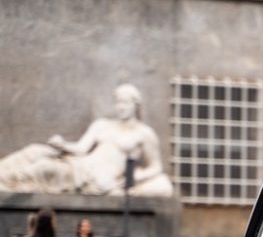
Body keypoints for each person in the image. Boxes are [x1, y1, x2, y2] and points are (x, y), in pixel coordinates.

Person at [0, 84, 174, 197]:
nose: (121, 107)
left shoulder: (144, 134)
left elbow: (156, 167)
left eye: (125, 103)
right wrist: (62, 145)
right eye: (118, 103)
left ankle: (6, 182)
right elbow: (81, 148)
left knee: (44, 168)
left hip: (97, 180)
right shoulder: (102, 124)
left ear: (136, 105)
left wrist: (131, 179)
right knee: (35, 151)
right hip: (82, 163)